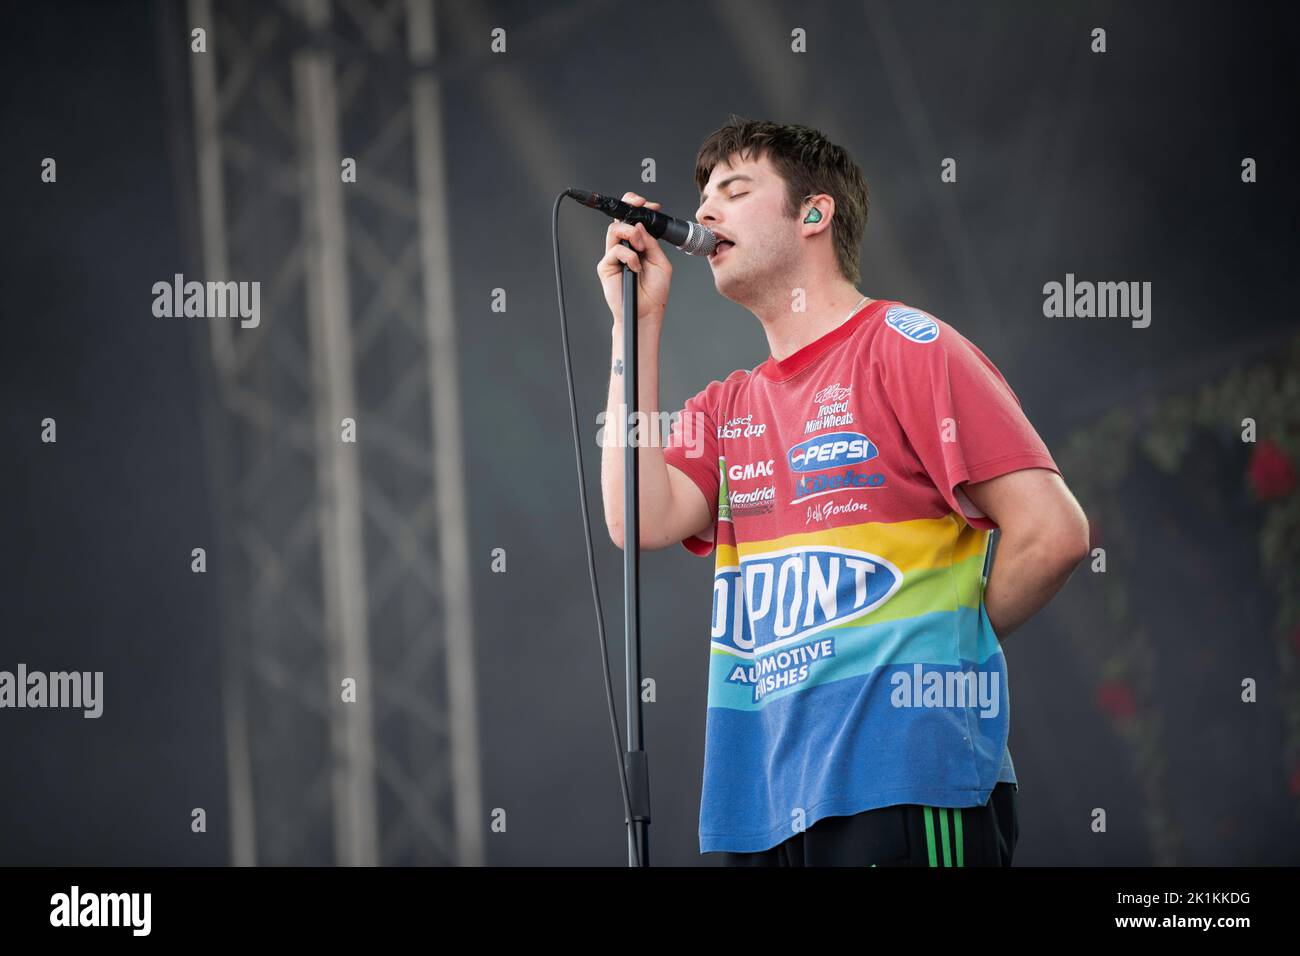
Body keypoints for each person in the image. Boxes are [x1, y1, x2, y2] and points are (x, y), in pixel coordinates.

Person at [594, 116, 1090, 866]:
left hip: (905, 784)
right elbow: (638, 515)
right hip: (761, 806)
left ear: (815, 214)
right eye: (702, 198)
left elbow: (1054, 533)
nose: (701, 214)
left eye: (733, 189)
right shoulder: (728, 406)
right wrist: (634, 328)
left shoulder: (904, 346)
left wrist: (941, 652)